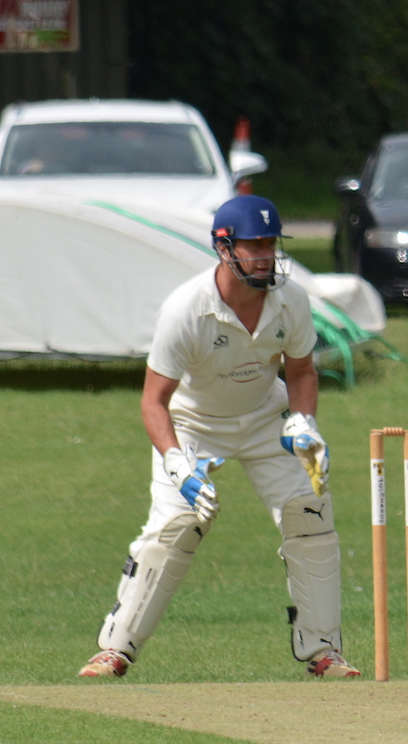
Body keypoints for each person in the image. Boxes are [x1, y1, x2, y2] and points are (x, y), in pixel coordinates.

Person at [78, 194, 360, 680]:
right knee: (178, 524)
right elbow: (153, 402)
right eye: (255, 246)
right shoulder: (186, 309)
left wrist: (303, 424)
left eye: (271, 244)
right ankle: (115, 650)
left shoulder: (290, 298)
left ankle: (324, 652)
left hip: (265, 417)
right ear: (224, 248)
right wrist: (176, 461)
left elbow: (301, 372)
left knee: (310, 514)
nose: (266, 256)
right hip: (194, 425)